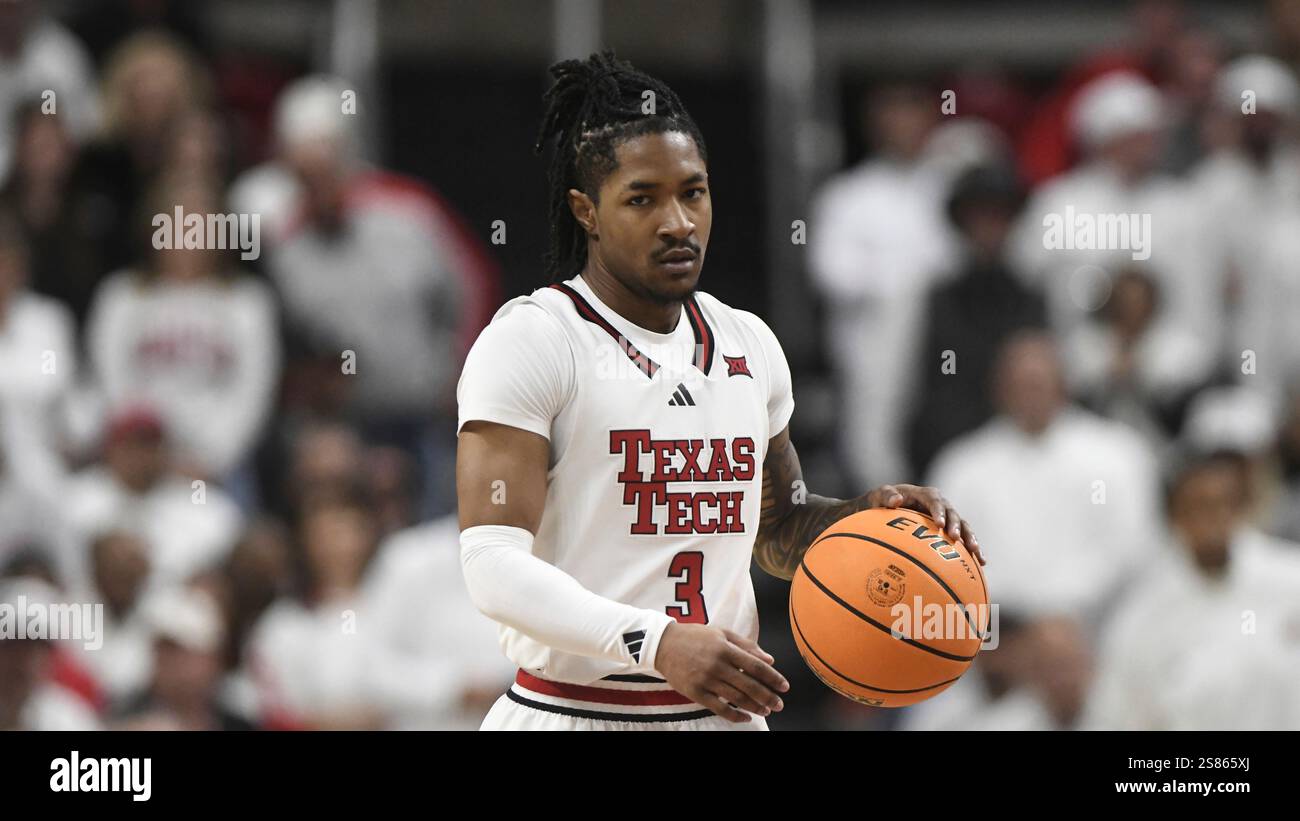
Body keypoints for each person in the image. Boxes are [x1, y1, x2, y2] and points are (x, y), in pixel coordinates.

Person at [456, 51, 981, 731]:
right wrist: (656, 640)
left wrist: (863, 518)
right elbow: (491, 561)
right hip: (571, 708)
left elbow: (779, 527)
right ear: (586, 209)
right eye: (642, 198)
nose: (677, 221)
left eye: (693, 192)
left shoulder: (747, 341)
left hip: (720, 716)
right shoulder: (535, 338)